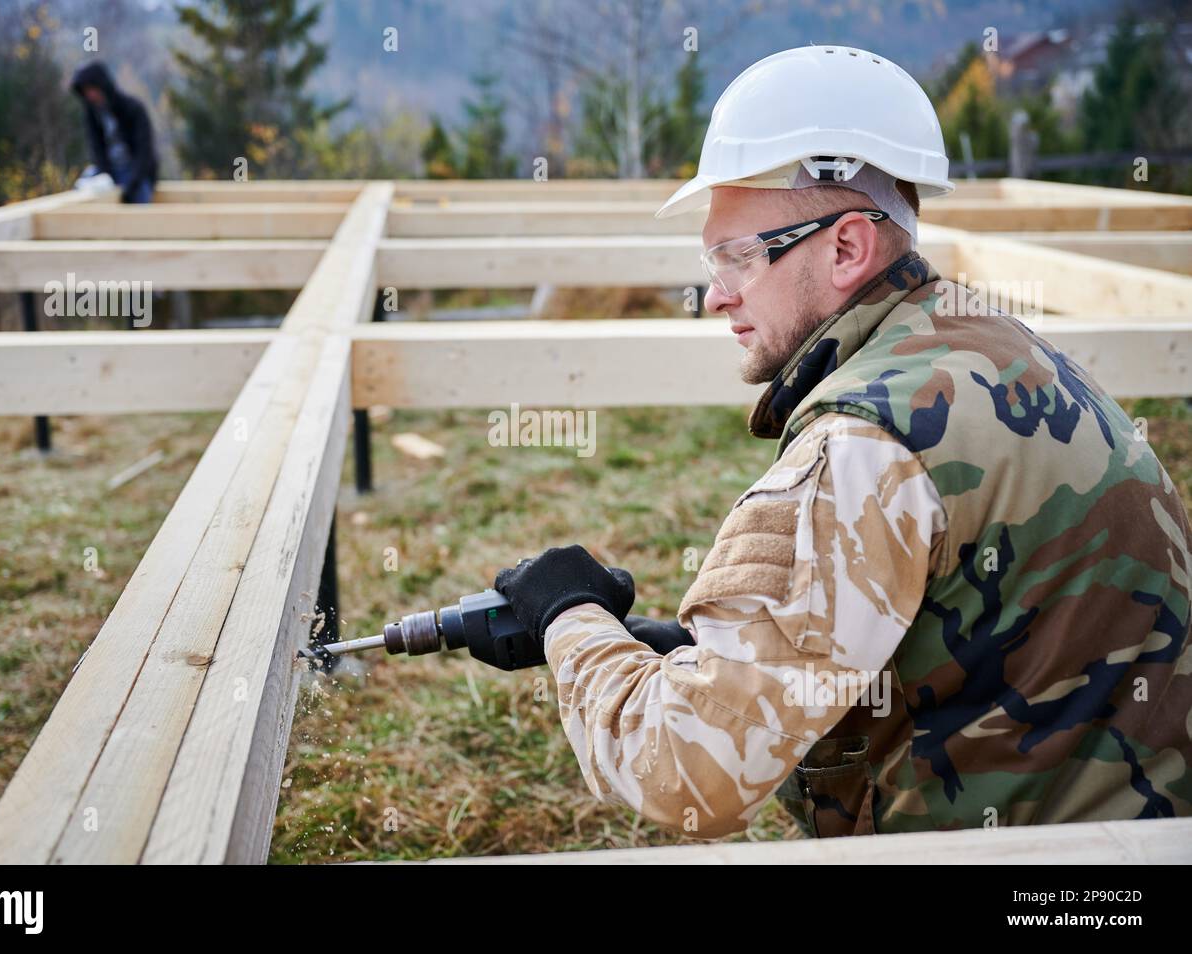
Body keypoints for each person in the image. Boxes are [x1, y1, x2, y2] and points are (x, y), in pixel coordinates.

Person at [493, 45, 1192, 838]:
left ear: (849, 247)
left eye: (737, 256)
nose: (716, 294)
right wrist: (705, 660)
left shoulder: (866, 445)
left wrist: (567, 615)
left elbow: (684, 772)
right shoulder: (998, 343)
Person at [70, 61, 158, 204]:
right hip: (110, 170)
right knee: (81, 191)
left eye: (92, 89)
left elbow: (144, 152)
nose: (90, 95)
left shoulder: (133, 108)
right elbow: (96, 149)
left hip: (136, 171)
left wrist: (132, 184)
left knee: (139, 204)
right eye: (85, 91)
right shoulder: (92, 115)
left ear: (102, 85)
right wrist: (106, 175)